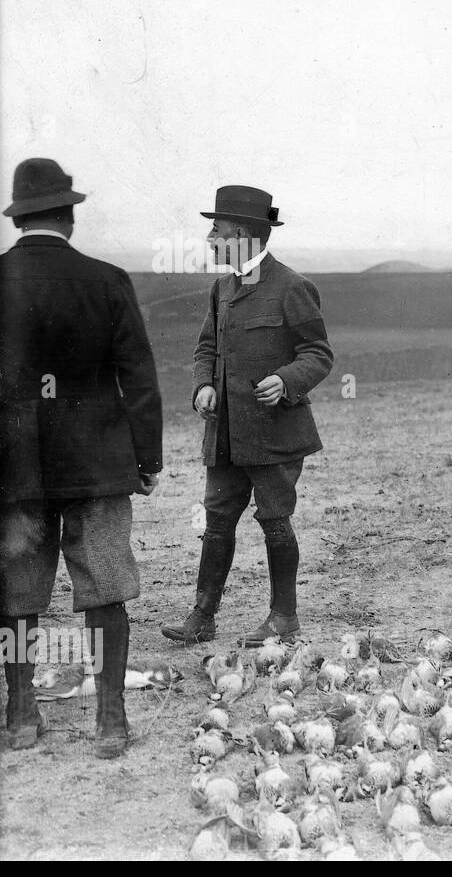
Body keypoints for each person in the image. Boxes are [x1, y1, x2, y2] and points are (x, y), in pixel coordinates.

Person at [0, 158, 163, 756]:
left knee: (15, 593)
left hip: (14, 469)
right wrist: (145, 457)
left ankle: (19, 718)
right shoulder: (109, 280)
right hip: (96, 463)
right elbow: (139, 378)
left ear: (20, 218)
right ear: (69, 215)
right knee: (105, 585)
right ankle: (110, 721)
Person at [161, 186, 333, 647]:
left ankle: (284, 618)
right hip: (225, 437)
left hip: (275, 434)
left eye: (216, 228)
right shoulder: (222, 288)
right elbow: (207, 348)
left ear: (242, 233)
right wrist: (203, 385)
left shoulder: (292, 286)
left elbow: (317, 353)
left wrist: (287, 379)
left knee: (274, 520)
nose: (210, 236)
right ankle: (203, 617)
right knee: (217, 521)